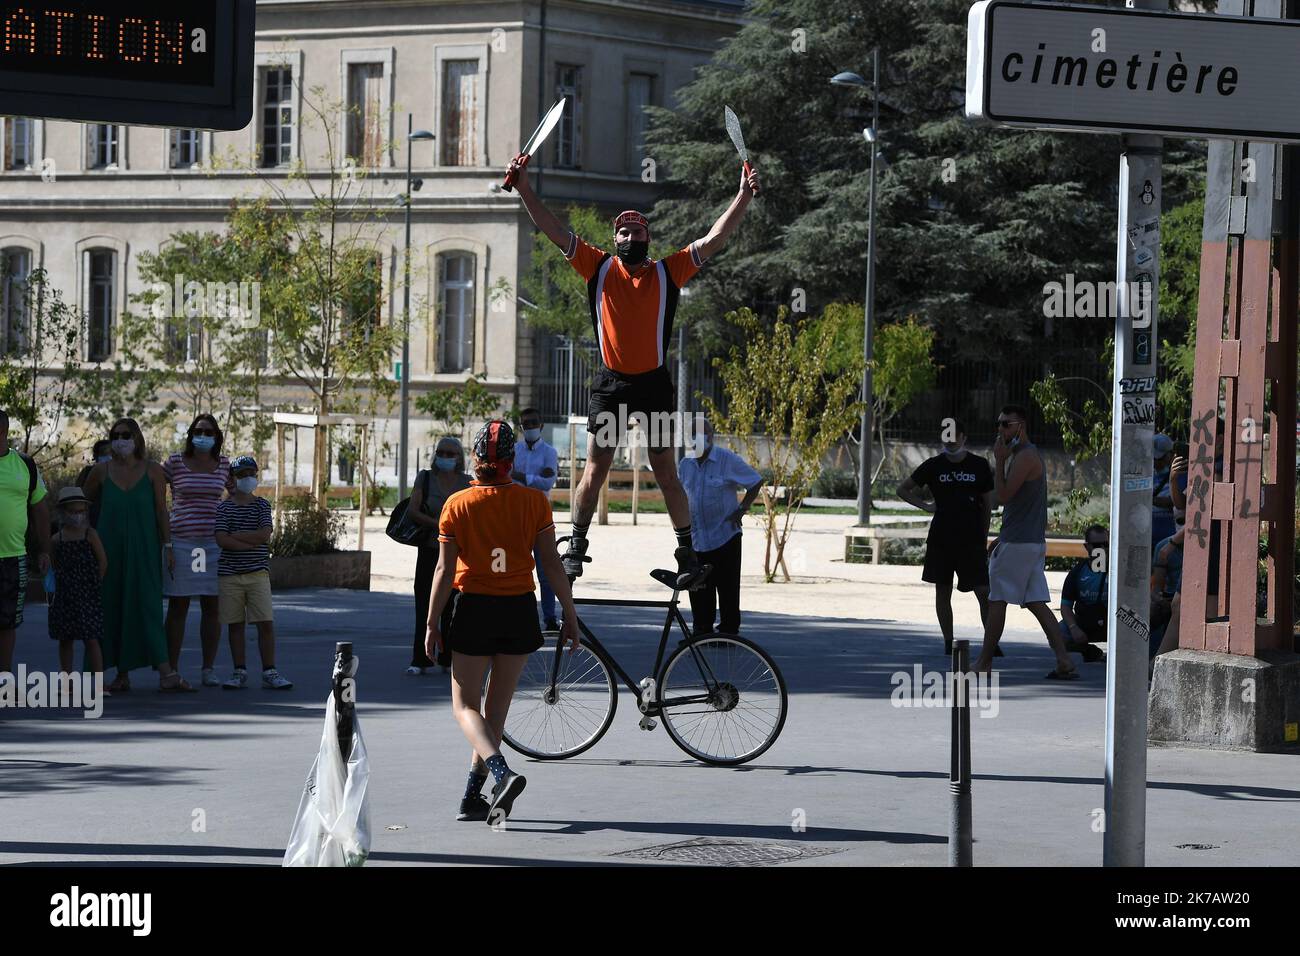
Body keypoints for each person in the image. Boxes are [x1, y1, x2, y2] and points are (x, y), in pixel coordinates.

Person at [509, 150, 760, 588]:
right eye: (622, 231)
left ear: (647, 237)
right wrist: (525, 186)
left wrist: (742, 196)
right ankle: (577, 546)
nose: (628, 236)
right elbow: (552, 228)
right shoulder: (597, 265)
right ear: (615, 238)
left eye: (636, 230)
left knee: (666, 471)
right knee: (596, 467)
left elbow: (714, 238)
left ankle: (687, 551)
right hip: (613, 386)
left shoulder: (669, 271)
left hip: (653, 387)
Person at [425, 420, 578, 824]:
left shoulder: (457, 504)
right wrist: (570, 613)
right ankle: (471, 797)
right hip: (518, 608)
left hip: (475, 606)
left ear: (475, 459)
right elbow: (550, 563)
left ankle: (500, 771)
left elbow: (443, 570)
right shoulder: (534, 502)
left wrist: (431, 623)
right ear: (512, 460)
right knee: (495, 711)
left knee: (464, 706)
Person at [83, 418, 192, 691]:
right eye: (116, 435)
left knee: (147, 607)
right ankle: (117, 675)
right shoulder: (100, 472)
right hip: (108, 551)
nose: (121, 440)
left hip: (145, 549)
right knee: (110, 607)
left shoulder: (153, 471)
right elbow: (80, 505)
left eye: (126, 435)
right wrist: (82, 539)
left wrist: (167, 547)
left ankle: (166, 672)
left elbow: (161, 511)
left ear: (137, 438)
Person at [972, 405, 1077, 678]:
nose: (1000, 429)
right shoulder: (1023, 455)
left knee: (996, 600)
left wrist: (999, 462)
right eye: (999, 424)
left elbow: (1003, 495)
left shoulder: (1025, 456)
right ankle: (1063, 660)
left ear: (1021, 426)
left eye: (1006, 424)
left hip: (1019, 543)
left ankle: (984, 662)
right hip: (1025, 541)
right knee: (1037, 602)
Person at [896, 419, 995, 656]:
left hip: (971, 538)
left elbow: (988, 504)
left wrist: (983, 536)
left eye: (955, 435)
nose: (950, 440)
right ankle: (948, 642)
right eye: (946, 435)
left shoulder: (979, 465)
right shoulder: (933, 465)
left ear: (963, 437)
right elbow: (902, 489)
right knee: (943, 590)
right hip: (941, 538)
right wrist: (926, 506)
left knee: (983, 591)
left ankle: (992, 642)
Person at [163, 414, 233, 686]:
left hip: (213, 544)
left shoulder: (224, 464)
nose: (203, 435)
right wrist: (165, 541)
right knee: (178, 605)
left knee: (211, 606)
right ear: (191, 434)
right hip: (181, 541)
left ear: (216, 437)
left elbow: (237, 493)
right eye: (198, 430)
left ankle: (208, 668)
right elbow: (157, 491)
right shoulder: (174, 463)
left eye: (208, 431)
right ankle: (172, 669)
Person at [677, 417, 762, 638]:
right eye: (692, 435)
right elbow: (679, 497)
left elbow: (755, 481)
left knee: (727, 588)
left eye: (701, 435)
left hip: (725, 536)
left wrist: (742, 509)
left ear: (711, 437)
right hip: (697, 539)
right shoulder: (685, 465)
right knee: (698, 587)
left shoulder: (726, 459)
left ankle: (728, 634)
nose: (697, 440)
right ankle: (701, 633)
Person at [214, 456, 291, 690]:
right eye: (241, 474)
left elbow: (264, 534)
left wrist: (236, 537)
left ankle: (270, 670)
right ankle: (239, 670)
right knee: (235, 624)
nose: (247, 478)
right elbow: (221, 539)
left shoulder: (262, 505)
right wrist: (249, 541)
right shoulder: (224, 507)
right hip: (230, 575)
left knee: (265, 623)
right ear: (232, 478)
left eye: (251, 473)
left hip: (258, 574)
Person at [407, 437, 471, 675]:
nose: (445, 457)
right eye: (441, 452)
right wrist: (439, 524)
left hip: (457, 553)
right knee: (424, 603)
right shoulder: (425, 478)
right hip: (429, 550)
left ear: (459, 457)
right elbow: (413, 510)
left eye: (450, 453)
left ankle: (447, 659)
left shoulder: (467, 482)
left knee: (452, 607)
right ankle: (419, 659)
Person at [0, 409, 50, 687]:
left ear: (3, 433)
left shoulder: (25, 465)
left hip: (13, 557)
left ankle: (4, 679)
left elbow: (40, 509)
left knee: (7, 623)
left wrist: (44, 550)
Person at [47, 487, 108, 683]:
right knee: (65, 639)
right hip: (64, 596)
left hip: (88, 594)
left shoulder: (90, 535)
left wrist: (96, 582)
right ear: (63, 513)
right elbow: (53, 564)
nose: (78, 516)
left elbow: (103, 562)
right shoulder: (57, 539)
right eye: (73, 512)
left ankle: (99, 682)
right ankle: (67, 682)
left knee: (91, 639)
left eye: (81, 511)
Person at [511, 408, 560, 630]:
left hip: (540, 517)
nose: (529, 427)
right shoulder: (514, 450)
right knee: (516, 568)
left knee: (546, 570)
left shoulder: (549, 452)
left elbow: (548, 483)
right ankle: (517, 614)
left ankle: (549, 616)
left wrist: (523, 477)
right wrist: (536, 478)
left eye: (533, 423)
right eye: (525, 423)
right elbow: (510, 479)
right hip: (517, 515)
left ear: (541, 426)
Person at [1058, 524, 1108, 664]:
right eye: (1097, 545)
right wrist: (1074, 628)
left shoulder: (1119, 569)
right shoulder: (1077, 572)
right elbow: (1066, 606)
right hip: (1086, 622)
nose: (1103, 549)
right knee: (1059, 631)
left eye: (1106, 544)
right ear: (1087, 547)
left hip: (1113, 623)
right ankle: (1088, 651)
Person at [75, 439, 112, 529]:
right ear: (95, 456)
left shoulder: (120, 473)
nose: (108, 456)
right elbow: (78, 496)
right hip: (93, 520)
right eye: (103, 453)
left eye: (110, 453)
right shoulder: (87, 472)